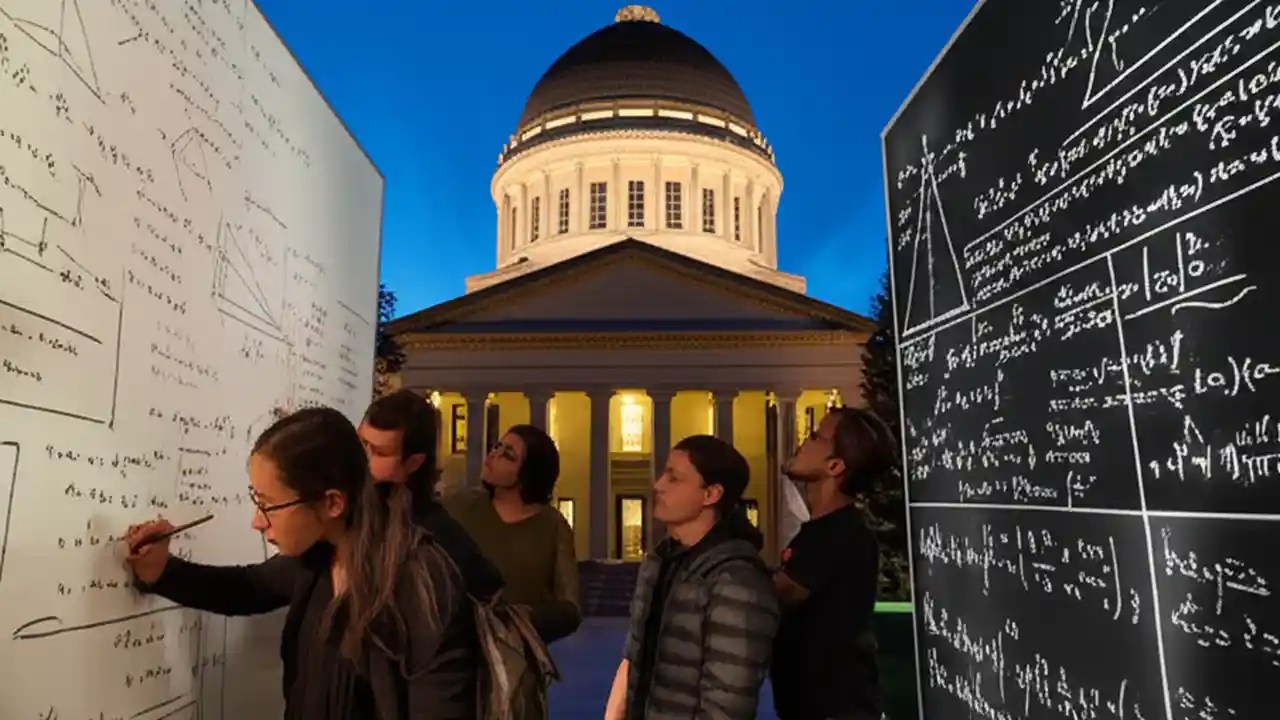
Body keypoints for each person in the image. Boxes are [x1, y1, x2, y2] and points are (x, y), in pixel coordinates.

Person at [124, 407, 475, 718]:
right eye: (255, 499)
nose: (257, 521)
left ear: (332, 503)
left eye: (268, 504)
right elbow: (249, 588)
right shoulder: (322, 552)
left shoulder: (422, 584)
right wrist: (163, 571)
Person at [604, 434, 780, 720]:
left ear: (711, 494)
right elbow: (633, 656)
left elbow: (727, 703)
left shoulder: (737, 580)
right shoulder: (658, 562)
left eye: (673, 478)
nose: (657, 486)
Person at [442, 424, 580, 718]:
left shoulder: (553, 526)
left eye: (508, 454)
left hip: (516, 673)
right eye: (496, 447)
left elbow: (570, 609)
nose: (493, 455)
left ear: (526, 474)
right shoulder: (458, 508)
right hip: (456, 662)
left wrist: (519, 619)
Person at [770, 406, 898, 720]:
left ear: (835, 465)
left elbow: (771, 594)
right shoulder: (823, 532)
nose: (803, 441)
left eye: (815, 437)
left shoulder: (839, 535)